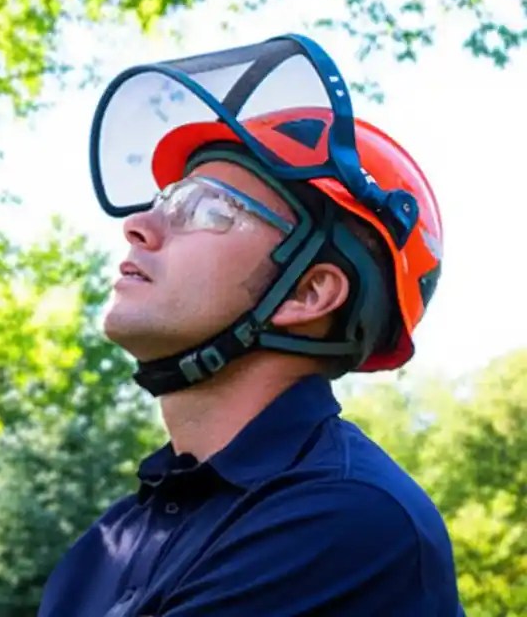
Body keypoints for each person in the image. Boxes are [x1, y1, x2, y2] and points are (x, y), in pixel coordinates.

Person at [38, 35, 462, 616]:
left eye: (208, 209)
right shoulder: (111, 540)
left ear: (309, 293)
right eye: (164, 200)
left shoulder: (344, 519)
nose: (139, 225)